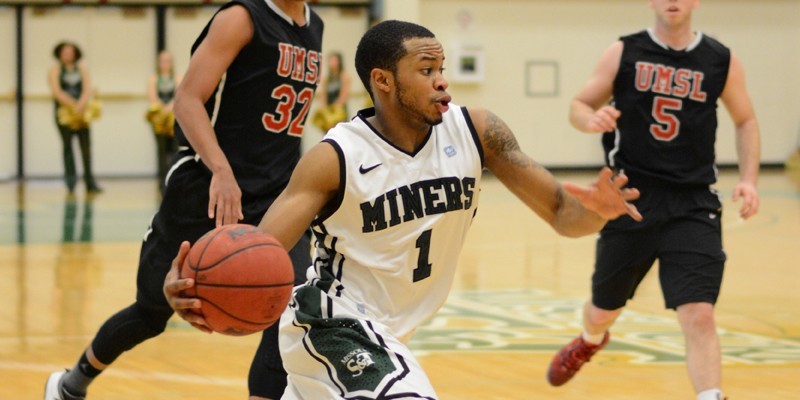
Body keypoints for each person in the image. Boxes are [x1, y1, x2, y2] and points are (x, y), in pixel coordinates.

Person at [164, 20, 641, 399]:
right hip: (334, 324)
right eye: (426, 70)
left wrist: (599, 211)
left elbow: (561, 213)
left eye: (441, 68)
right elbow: (260, 250)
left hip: (392, 333)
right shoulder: (337, 157)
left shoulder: (477, 131)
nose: (442, 81)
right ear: (383, 80)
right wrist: (193, 285)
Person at [45, 1, 323, 399]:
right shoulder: (241, 18)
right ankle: (71, 385)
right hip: (206, 185)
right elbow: (187, 100)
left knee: (290, 308)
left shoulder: (315, 26)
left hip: (276, 192)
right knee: (151, 312)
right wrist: (222, 171)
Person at [545, 1, 761, 399]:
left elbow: (745, 120)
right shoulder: (624, 51)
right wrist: (589, 119)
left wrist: (749, 180)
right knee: (602, 311)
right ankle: (590, 340)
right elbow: (579, 104)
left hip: (693, 202)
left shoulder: (720, 59)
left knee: (699, 313)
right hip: (629, 198)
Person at [49, 41, 102, 193]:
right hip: (64, 113)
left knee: (86, 146)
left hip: (82, 112)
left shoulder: (82, 69)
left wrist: (81, 104)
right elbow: (57, 91)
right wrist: (72, 104)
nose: (68, 55)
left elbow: (86, 89)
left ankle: (89, 181)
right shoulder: (55, 70)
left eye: (71, 52)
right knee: (68, 146)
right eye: (65, 52)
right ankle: (70, 181)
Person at [146, 50, 182, 193]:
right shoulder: (154, 79)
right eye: (162, 61)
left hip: (172, 119)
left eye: (168, 61)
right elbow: (153, 97)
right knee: (161, 152)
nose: (165, 64)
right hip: (159, 120)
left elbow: (178, 95)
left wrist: (169, 107)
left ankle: (174, 182)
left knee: (174, 151)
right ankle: (162, 183)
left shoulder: (177, 78)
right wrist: (162, 108)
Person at [312, 51, 351, 131]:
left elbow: (343, 96)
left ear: (339, 62)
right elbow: (323, 96)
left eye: (334, 60)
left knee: (340, 132)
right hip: (328, 110)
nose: (331, 63)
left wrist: (335, 109)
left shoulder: (344, 76)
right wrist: (322, 109)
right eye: (330, 60)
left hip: (340, 111)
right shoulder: (326, 79)